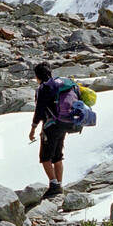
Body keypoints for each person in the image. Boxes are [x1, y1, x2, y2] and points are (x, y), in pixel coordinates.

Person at [28, 63, 71, 196]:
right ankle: (59, 184)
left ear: (38, 76)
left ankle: (53, 185)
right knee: (57, 156)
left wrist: (33, 128)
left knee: (45, 157)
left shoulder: (43, 89)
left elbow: (40, 110)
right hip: (64, 124)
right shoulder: (59, 85)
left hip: (50, 126)